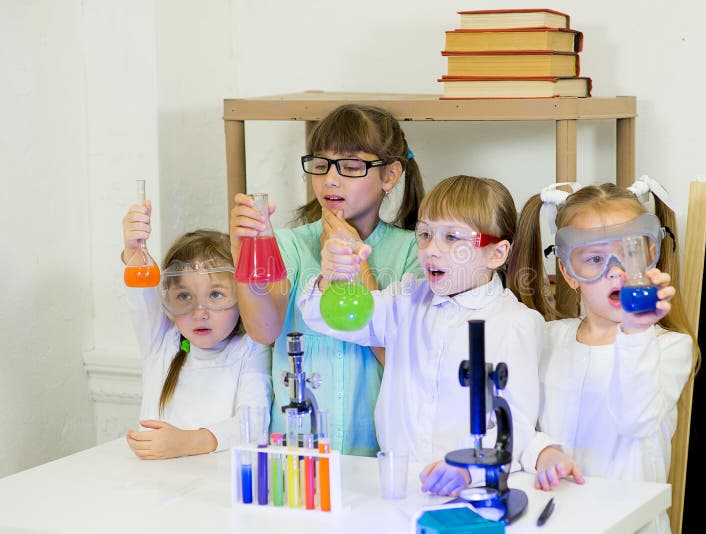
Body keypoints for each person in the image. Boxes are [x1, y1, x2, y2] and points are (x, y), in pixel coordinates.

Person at [299, 175, 544, 496]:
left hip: (471, 491)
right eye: (425, 234)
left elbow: (517, 428)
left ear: (497, 253)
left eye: (452, 238)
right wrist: (333, 276)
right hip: (400, 483)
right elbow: (327, 318)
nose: (430, 249)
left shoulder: (517, 323)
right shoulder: (405, 301)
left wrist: (468, 470)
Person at [230, 104, 425, 456]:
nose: (330, 180)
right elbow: (264, 329)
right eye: (320, 166)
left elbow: (404, 359)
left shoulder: (415, 251)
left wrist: (356, 263)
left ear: (390, 175)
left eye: (350, 167)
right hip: (296, 455)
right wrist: (245, 251)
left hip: (377, 458)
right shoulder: (288, 244)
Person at [507, 179, 698, 534]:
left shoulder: (669, 347)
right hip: (552, 521)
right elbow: (515, 421)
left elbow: (634, 418)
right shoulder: (547, 338)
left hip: (630, 526)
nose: (615, 270)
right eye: (594, 258)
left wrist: (636, 331)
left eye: (629, 254)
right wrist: (539, 452)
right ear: (568, 272)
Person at [122, 199, 269, 460]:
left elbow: (254, 425)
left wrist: (188, 442)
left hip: (216, 489)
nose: (199, 312)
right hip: (153, 486)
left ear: (240, 295)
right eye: (184, 296)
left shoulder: (250, 347)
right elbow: (140, 296)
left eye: (216, 294)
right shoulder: (163, 343)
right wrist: (134, 251)